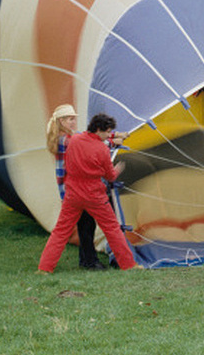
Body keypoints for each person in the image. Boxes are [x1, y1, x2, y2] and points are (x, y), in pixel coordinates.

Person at [38, 113, 138, 272]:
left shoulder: (75, 140)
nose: (107, 135)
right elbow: (110, 176)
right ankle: (129, 265)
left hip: (72, 195)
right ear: (99, 130)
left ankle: (44, 268)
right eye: (106, 132)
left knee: (60, 232)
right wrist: (117, 169)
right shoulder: (102, 149)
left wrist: (112, 137)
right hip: (95, 196)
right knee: (112, 229)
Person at [46, 104, 103, 270]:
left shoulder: (61, 138)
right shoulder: (67, 140)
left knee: (84, 224)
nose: (73, 122)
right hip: (76, 190)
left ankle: (86, 259)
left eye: (74, 119)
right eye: (70, 119)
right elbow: (89, 145)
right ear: (62, 121)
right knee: (86, 225)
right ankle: (89, 261)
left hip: (68, 189)